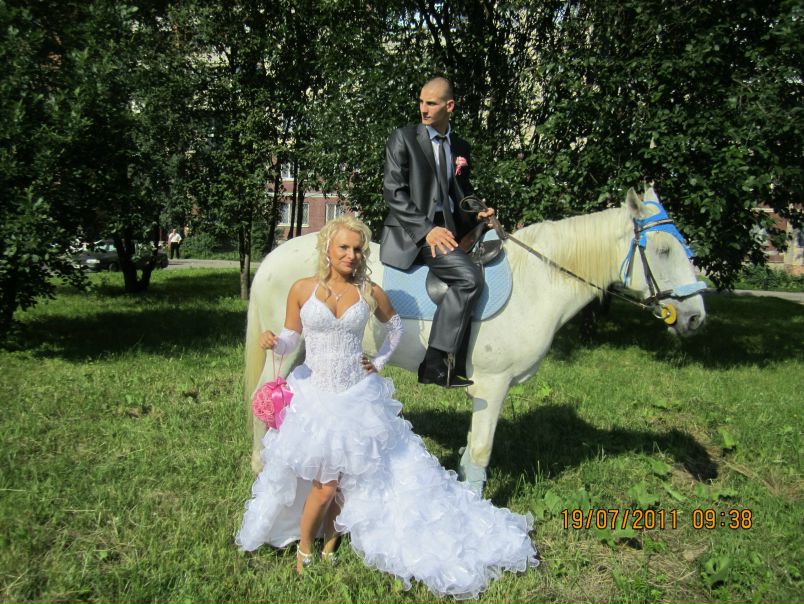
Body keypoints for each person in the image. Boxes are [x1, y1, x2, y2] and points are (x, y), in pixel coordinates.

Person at [236, 216, 536, 598]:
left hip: (356, 396)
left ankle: (329, 541)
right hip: (315, 396)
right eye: (343, 247)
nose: (351, 255)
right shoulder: (302, 289)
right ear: (327, 248)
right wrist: (274, 342)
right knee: (325, 485)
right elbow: (291, 339)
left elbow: (395, 328)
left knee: (342, 480)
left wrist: (378, 362)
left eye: (357, 249)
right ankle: (305, 548)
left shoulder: (369, 291)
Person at [380, 76, 495, 389]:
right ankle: (434, 364)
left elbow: (459, 193)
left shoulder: (460, 147)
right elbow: (394, 191)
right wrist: (427, 231)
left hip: (448, 232)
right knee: (469, 278)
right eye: (421, 102)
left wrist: (478, 212)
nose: (423, 109)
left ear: (450, 106)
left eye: (431, 103)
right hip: (413, 234)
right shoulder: (403, 138)